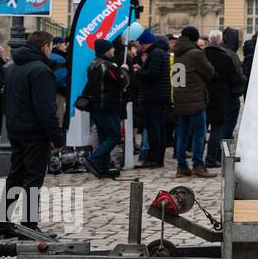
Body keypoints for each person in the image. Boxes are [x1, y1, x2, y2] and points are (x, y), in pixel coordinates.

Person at [2, 30, 65, 234]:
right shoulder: (41, 70)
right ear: (46, 47)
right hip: (35, 132)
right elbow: (46, 109)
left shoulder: (12, 68)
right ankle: (29, 225)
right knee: (33, 178)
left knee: (16, 175)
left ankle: (2, 221)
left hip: (16, 129)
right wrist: (57, 137)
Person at [171, 26, 215, 178]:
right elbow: (210, 72)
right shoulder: (196, 53)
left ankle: (181, 166)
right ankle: (197, 164)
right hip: (195, 99)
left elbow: (177, 79)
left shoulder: (177, 53)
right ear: (195, 38)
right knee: (199, 133)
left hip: (180, 98)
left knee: (182, 133)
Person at [82, 39, 127, 180]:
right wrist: (124, 70)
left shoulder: (93, 65)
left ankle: (104, 166)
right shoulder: (107, 66)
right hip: (107, 106)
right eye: (111, 49)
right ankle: (92, 159)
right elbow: (123, 81)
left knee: (104, 137)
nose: (113, 50)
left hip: (96, 106)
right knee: (115, 136)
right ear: (106, 51)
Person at [203, 29, 244, 169]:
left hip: (204, 96)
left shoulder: (202, 55)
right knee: (218, 129)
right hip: (222, 97)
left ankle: (198, 158)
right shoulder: (227, 56)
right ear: (221, 41)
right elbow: (236, 77)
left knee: (201, 129)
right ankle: (213, 157)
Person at [133, 30, 170, 169]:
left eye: (141, 45)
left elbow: (152, 74)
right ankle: (156, 157)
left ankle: (155, 158)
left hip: (153, 97)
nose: (140, 47)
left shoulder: (155, 53)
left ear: (147, 43)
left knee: (155, 128)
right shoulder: (159, 52)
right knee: (158, 127)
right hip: (158, 96)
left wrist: (138, 72)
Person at [220, 27, 246, 142]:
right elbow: (236, 76)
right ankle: (221, 153)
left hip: (222, 94)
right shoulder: (231, 55)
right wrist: (244, 78)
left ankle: (217, 153)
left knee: (220, 126)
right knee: (227, 127)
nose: (240, 43)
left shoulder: (221, 51)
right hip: (231, 94)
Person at [49, 36, 70, 126]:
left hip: (48, 91)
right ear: (57, 45)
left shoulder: (49, 56)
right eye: (64, 44)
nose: (65, 46)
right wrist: (65, 90)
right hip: (58, 92)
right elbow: (61, 79)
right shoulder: (60, 59)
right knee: (58, 117)